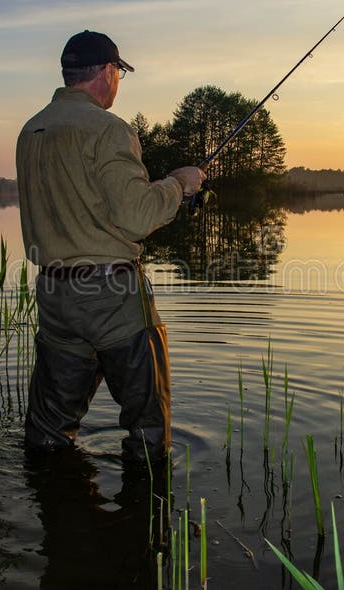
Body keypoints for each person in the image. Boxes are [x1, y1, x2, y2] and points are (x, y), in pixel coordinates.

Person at [16, 29, 205, 464]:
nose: (118, 80)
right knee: (148, 430)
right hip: (110, 297)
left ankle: (53, 510)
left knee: (47, 432)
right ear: (106, 71)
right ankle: (145, 518)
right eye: (119, 72)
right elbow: (137, 217)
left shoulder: (31, 131)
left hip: (54, 296)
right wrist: (179, 184)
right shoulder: (108, 130)